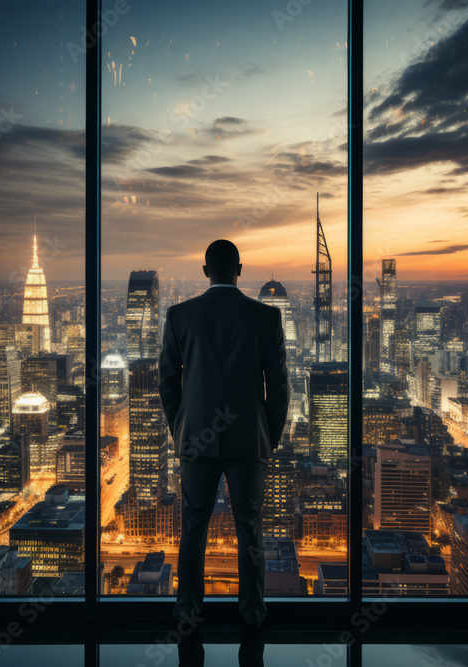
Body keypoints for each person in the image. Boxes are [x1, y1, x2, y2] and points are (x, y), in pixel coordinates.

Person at [158, 239, 289, 629]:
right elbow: (279, 388)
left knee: (193, 528)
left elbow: (167, 381)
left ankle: (187, 613)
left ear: (204, 271)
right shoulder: (266, 318)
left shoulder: (180, 315)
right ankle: (252, 614)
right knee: (250, 529)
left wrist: (181, 427)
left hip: (195, 437)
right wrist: (268, 435)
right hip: (249, 439)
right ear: (240, 270)